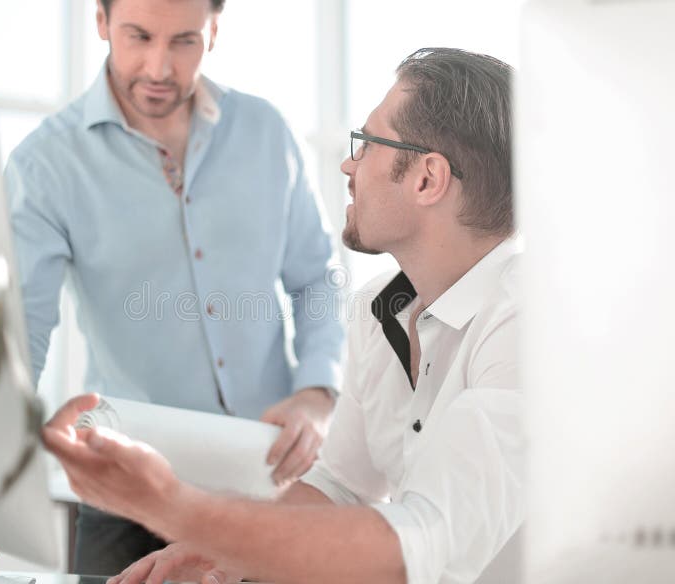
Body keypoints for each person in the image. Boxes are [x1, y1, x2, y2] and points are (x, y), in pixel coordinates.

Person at [44, 47, 523, 584]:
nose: (349, 163)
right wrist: (210, 551)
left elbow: (420, 546)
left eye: (366, 144)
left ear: (427, 179)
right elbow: (340, 489)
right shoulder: (377, 310)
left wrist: (176, 508)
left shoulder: (529, 325)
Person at [0, 0, 344, 580]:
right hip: (127, 491)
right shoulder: (47, 163)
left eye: (184, 41)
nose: (159, 67)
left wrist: (319, 391)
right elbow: (18, 335)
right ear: (101, 21)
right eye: (138, 36)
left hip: (271, 477)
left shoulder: (267, 133)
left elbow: (317, 276)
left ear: (214, 31)